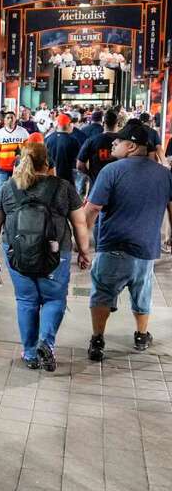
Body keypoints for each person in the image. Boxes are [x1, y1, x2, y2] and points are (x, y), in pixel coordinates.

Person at [0, 143, 92, 371]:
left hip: (17, 252)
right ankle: (47, 342)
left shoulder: (9, 187)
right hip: (56, 253)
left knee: (26, 301)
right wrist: (84, 251)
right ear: (48, 162)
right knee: (54, 299)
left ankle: (31, 352)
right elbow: (79, 222)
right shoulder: (62, 187)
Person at [82, 121, 172, 360]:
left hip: (113, 246)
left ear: (131, 146)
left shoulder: (111, 171)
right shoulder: (165, 175)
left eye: (119, 140)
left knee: (102, 292)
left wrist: (83, 246)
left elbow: (91, 210)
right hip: (146, 250)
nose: (114, 142)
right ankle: (141, 336)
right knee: (143, 294)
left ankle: (98, 340)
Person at [0, 112, 34, 201]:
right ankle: (3, 207)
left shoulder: (23, 132)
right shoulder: (0, 133)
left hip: (19, 167)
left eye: (12, 117)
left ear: (15, 120)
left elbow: (28, 148)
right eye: (8, 118)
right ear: (4, 120)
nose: (10, 119)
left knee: (20, 188)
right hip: (3, 166)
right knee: (2, 189)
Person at [76, 108, 120, 198]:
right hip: (119, 187)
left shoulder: (92, 141)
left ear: (103, 123)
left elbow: (80, 165)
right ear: (117, 123)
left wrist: (91, 175)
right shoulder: (125, 142)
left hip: (96, 185)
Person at [44, 114, 80, 185]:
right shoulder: (73, 141)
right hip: (67, 179)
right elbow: (78, 161)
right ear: (69, 125)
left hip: (51, 178)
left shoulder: (47, 139)